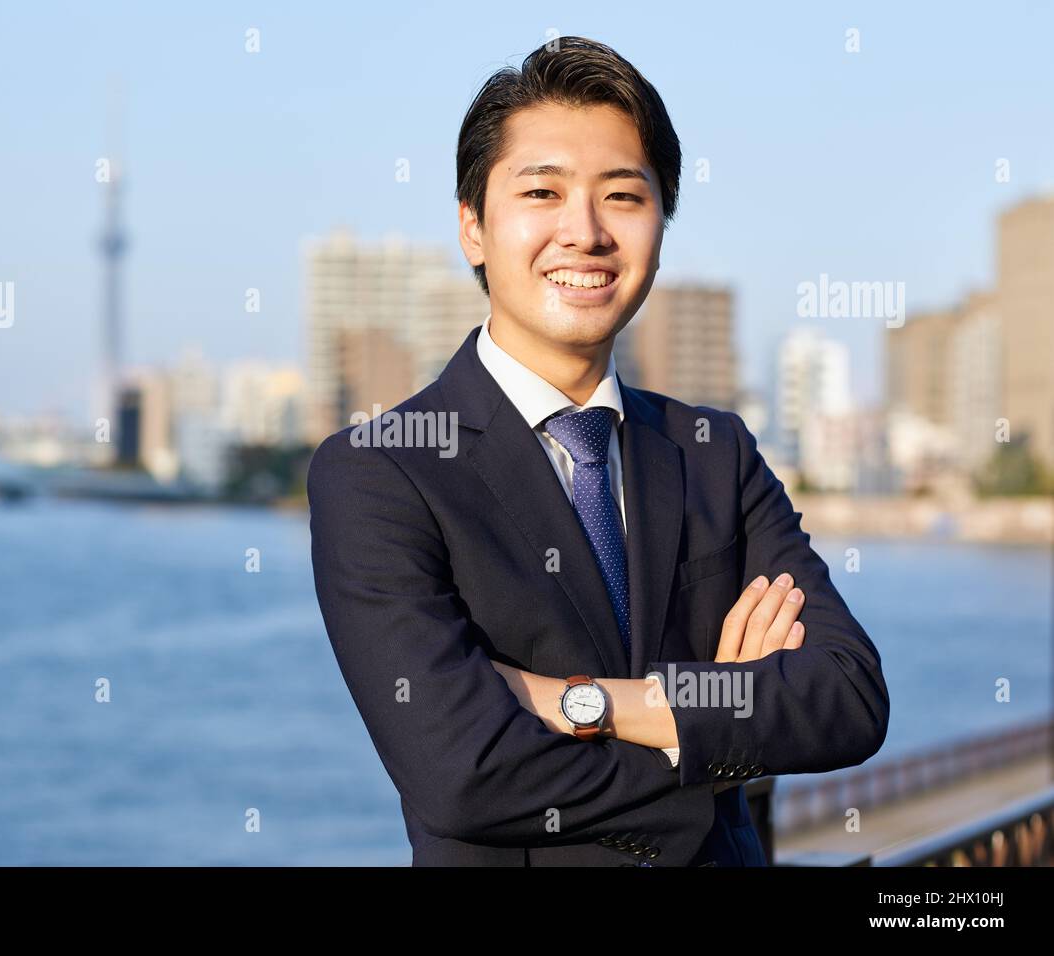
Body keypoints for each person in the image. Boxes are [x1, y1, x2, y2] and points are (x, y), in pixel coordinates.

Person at [307, 35, 890, 866]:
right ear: (473, 227)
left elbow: (848, 697)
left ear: (661, 220)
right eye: (541, 191)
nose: (583, 232)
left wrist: (582, 704)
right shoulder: (380, 471)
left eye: (622, 195)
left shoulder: (711, 452)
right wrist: (720, 742)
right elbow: (464, 772)